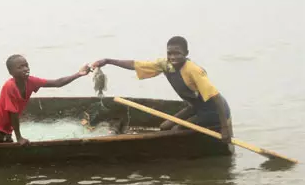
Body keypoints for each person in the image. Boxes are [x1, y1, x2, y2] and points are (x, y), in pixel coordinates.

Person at [91, 36, 233, 143]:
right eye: (170, 53)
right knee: (165, 127)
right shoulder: (165, 65)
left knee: (176, 130)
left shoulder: (193, 70)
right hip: (195, 107)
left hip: (214, 111)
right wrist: (108, 61)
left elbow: (216, 97)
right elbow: (136, 65)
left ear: (186, 53)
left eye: (177, 53)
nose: (173, 57)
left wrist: (225, 127)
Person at [0, 54, 91, 145]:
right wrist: (19, 138)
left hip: (6, 130)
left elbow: (57, 83)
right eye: (20, 67)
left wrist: (79, 74)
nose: (25, 69)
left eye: (26, 65)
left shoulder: (31, 81)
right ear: (11, 72)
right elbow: (13, 114)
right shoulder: (9, 86)